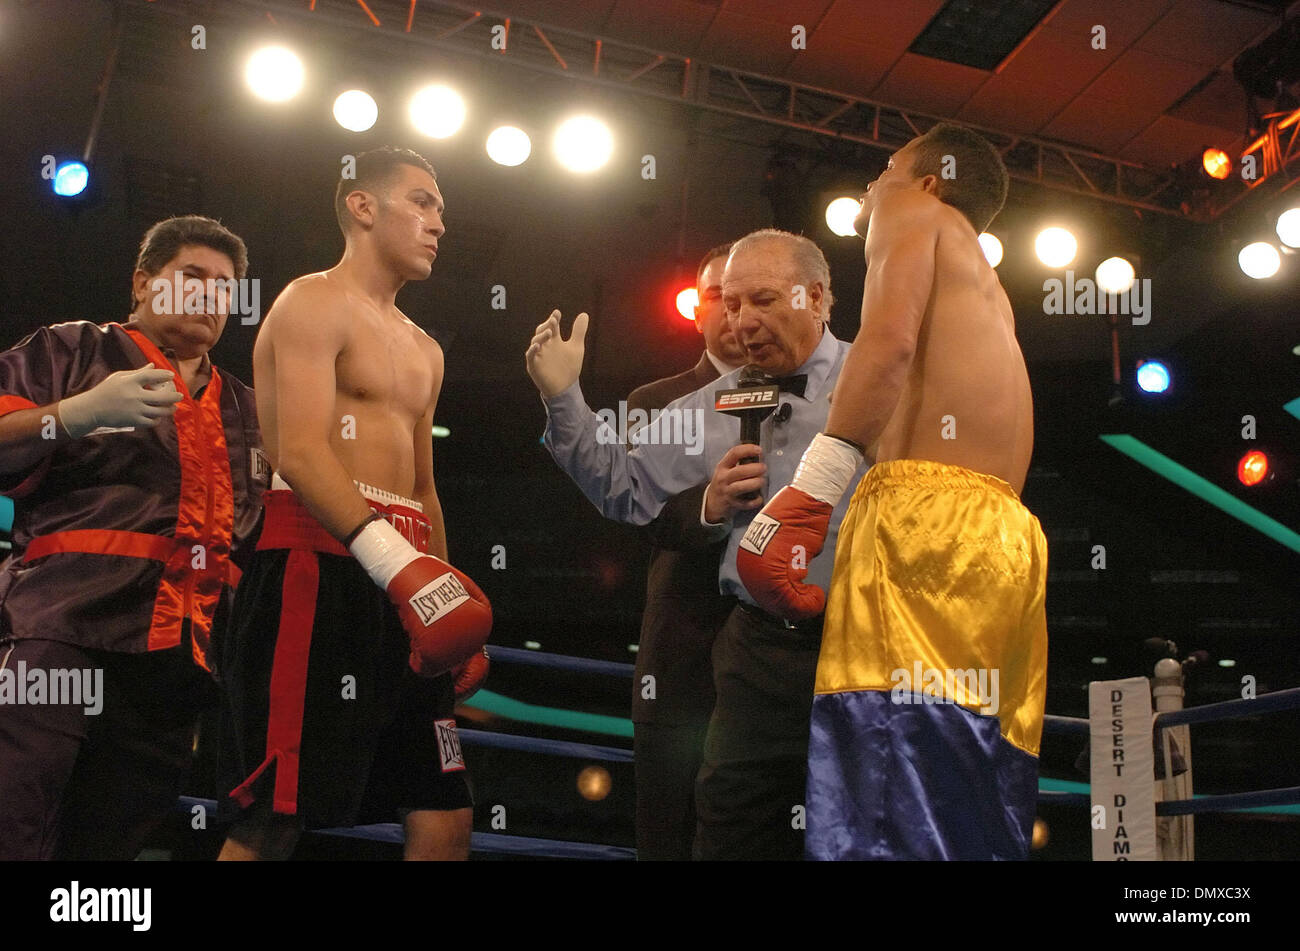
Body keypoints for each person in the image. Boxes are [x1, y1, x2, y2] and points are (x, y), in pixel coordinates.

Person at [737, 123, 1048, 859]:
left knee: (886, 780)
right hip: (1006, 541)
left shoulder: (912, 212)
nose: (873, 185)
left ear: (929, 179)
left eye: (886, 166)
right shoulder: (988, 287)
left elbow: (887, 339)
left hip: (927, 521)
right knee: (971, 783)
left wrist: (813, 489)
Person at [526, 230, 867, 859]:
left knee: (856, 835)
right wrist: (563, 398)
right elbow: (622, 487)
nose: (742, 322)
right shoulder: (711, 403)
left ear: (817, 298)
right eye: (731, 305)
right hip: (756, 654)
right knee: (729, 830)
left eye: (763, 300)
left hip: (865, 649)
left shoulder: (878, 377)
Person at [218, 147, 491, 862]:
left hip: (402, 585)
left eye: (442, 211)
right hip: (317, 567)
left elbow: (422, 488)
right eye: (422, 203)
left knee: (444, 809)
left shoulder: (426, 347)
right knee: (275, 813)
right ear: (362, 206)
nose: (438, 224)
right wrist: (395, 566)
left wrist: (444, 597)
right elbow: (298, 450)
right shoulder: (311, 302)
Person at [0, 215, 266, 860]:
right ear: (144, 283)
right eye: (192, 277)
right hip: (61, 631)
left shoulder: (253, 410)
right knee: (17, 811)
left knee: (115, 845)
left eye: (226, 287)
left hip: (182, 658)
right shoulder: (71, 349)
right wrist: (73, 416)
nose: (210, 296)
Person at [626, 243, 745, 861]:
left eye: (748, 294)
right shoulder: (655, 400)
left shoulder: (818, 399)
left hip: (785, 657)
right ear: (695, 310)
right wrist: (712, 503)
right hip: (682, 653)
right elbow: (640, 510)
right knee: (669, 836)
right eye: (717, 295)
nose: (732, 310)